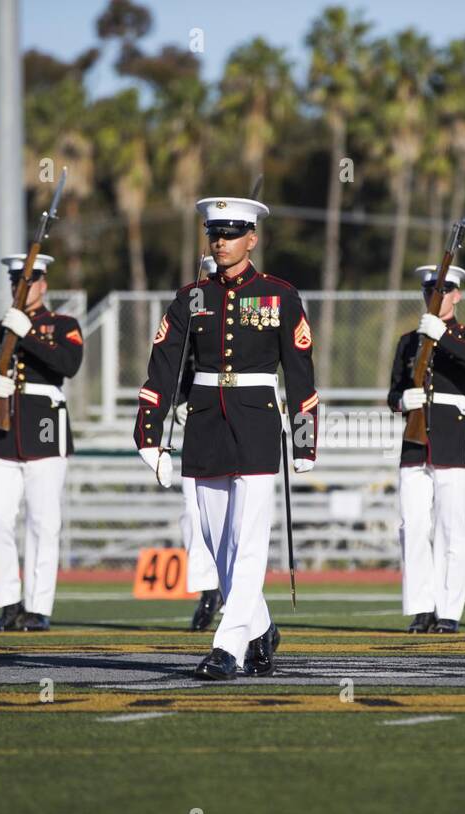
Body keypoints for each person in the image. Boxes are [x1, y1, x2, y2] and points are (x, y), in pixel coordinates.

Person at [135, 197, 318, 679]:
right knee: (217, 545)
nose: (220, 241)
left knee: (248, 541)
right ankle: (262, 628)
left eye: (232, 232)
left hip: (256, 422)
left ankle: (228, 648)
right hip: (205, 423)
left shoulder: (280, 295)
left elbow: (300, 372)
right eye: (214, 233)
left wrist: (304, 439)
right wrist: (149, 434)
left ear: (252, 238)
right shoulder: (190, 297)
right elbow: (163, 369)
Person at [0, 254, 83, 632]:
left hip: (46, 428)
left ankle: (38, 606)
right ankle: (8, 602)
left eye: (29, 281)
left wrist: (28, 334)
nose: (23, 288)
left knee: (42, 522)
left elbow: (68, 364)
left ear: (44, 284)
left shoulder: (62, 325)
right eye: (17, 282)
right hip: (3, 433)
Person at [386, 265, 465, 634]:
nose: (437, 296)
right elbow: (393, 391)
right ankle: (421, 606)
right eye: (430, 289)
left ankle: (448, 610)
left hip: (452, 438)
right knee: (412, 525)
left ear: (457, 295)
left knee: (450, 526)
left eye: (445, 290)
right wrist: (402, 400)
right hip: (416, 440)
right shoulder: (408, 341)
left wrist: (442, 335)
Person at [174, 256, 223, 631]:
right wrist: (179, 402)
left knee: (237, 516)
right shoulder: (193, 311)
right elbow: (177, 362)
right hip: (198, 417)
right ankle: (208, 589)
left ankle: (237, 591)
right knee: (195, 512)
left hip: (237, 415)